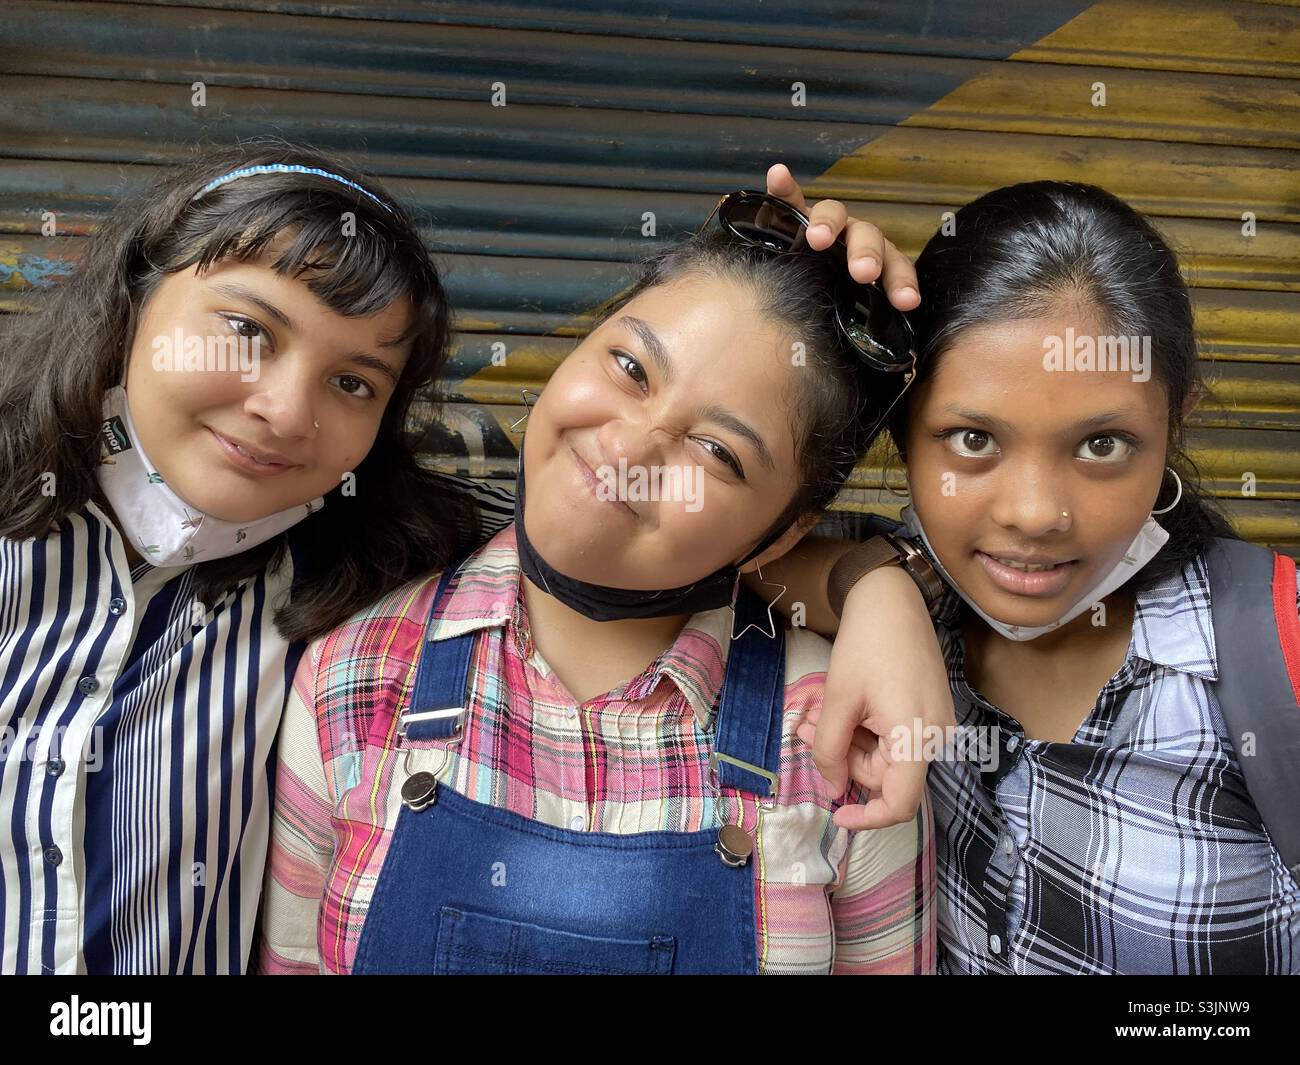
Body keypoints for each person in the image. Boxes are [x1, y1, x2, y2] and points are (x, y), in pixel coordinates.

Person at [257, 191, 937, 974]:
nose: (628, 447)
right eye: (630, 367)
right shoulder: (357, 674)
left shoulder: (839, 736)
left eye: (718, 452)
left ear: (780, 533)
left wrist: (886, 584)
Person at [790, 175, 1300, 973]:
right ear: (903, 432)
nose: (1034, 513)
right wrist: (798, 284)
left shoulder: (1274, 646)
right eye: (972, 440)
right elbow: (696, 530)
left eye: (1101, 444)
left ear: (1176, 422)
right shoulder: (911, 586)